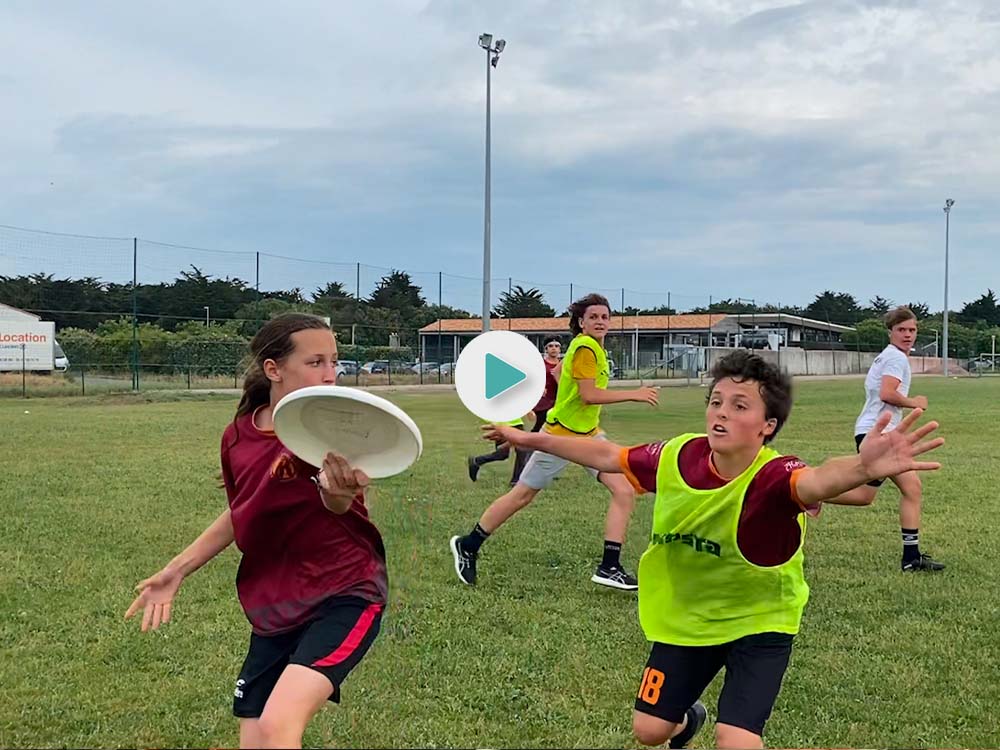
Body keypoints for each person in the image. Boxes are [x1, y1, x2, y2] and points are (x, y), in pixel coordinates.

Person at [483, 350, 943, 748]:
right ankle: (689, 721)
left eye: (739, 405)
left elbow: (819, 479)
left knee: (736, 742)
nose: (721, 413)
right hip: (689, 619)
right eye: (717, 402)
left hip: (760, 622)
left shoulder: (775, 475)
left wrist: (863, 468)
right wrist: (529, 438)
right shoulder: (677, 455)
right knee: (648, 731)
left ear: (768, 426)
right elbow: (609, 456)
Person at [124, 313, 388, 750]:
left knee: (278, 725)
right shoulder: (237, 437)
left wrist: (338, 493)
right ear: (273, 369)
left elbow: (340, 503)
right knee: (253, 736)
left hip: (345, 592)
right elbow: (241, 511)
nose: (330, 374)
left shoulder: (335, 430)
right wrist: (177, 570)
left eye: (334, 362)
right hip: (274, 605)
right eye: (316, 362)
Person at [450, 293, 659, 591]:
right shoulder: (586, 347)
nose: (600, 322)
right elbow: (590, 396)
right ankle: (468, 545)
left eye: (604, 317)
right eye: (593, 317)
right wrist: (634, 394)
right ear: (581, 322)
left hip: (586, 434)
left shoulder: (586, 347)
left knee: (623, 489)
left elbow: (561, 373)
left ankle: (609, 566)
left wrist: (566, 398)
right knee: (522, 496)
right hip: (561, 435)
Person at [852, 305, 944, 571]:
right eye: (901, 329)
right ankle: (911, 559)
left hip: (873, 433)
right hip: (878, 434)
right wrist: (914, 401)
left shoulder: (888, 356)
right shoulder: (896, 359)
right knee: (911, 488)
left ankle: (806, 492)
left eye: (912, 330)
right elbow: (887, 393)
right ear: (890, 331)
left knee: (863, 496)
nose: (908, 335)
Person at [468, 416, 531, 486]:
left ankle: (477, 461)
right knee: (522, 451)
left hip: (505, 422)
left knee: (502, 454)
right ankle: (515, 481)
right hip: (511, 422)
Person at [531, 338, 563, 432]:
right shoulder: (540, 364)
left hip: (559, 401)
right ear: (546, 349)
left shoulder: (563, 364)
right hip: (544, 402)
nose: (554, 348)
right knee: (539, 427)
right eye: (551, 346)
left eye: (556, 346)